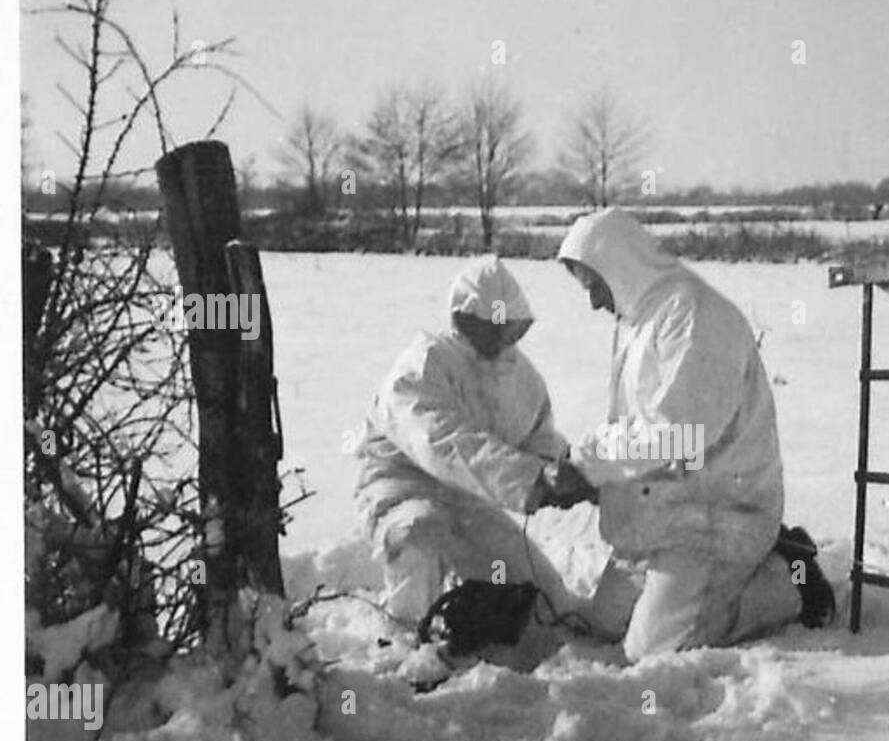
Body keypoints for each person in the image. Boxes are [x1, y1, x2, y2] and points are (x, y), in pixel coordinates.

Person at [552, 207, 835, 661]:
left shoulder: (695, 316)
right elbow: (636, 422)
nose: (595, 304)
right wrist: (584, 464)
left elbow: (682, 435)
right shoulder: (642, 315)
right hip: (663, 510)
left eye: (595, 287)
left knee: (652, 649)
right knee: (602, 624)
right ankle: (699, 588)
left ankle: (789, 580)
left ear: (618, 266)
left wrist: (590, 468)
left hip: (717, 512)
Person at [354, 255, 586, 633]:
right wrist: (531, 479)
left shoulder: (521, 377)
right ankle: (406, 640)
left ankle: (477, 638)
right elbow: (445, 442)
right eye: (490, 324)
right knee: (418, 538)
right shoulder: (422, 367)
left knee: (542, 594)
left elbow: (539, 437)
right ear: (463, 318)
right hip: (402, 490)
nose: (501, 336)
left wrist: (563, 470)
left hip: (470, 500)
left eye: (509, 326)